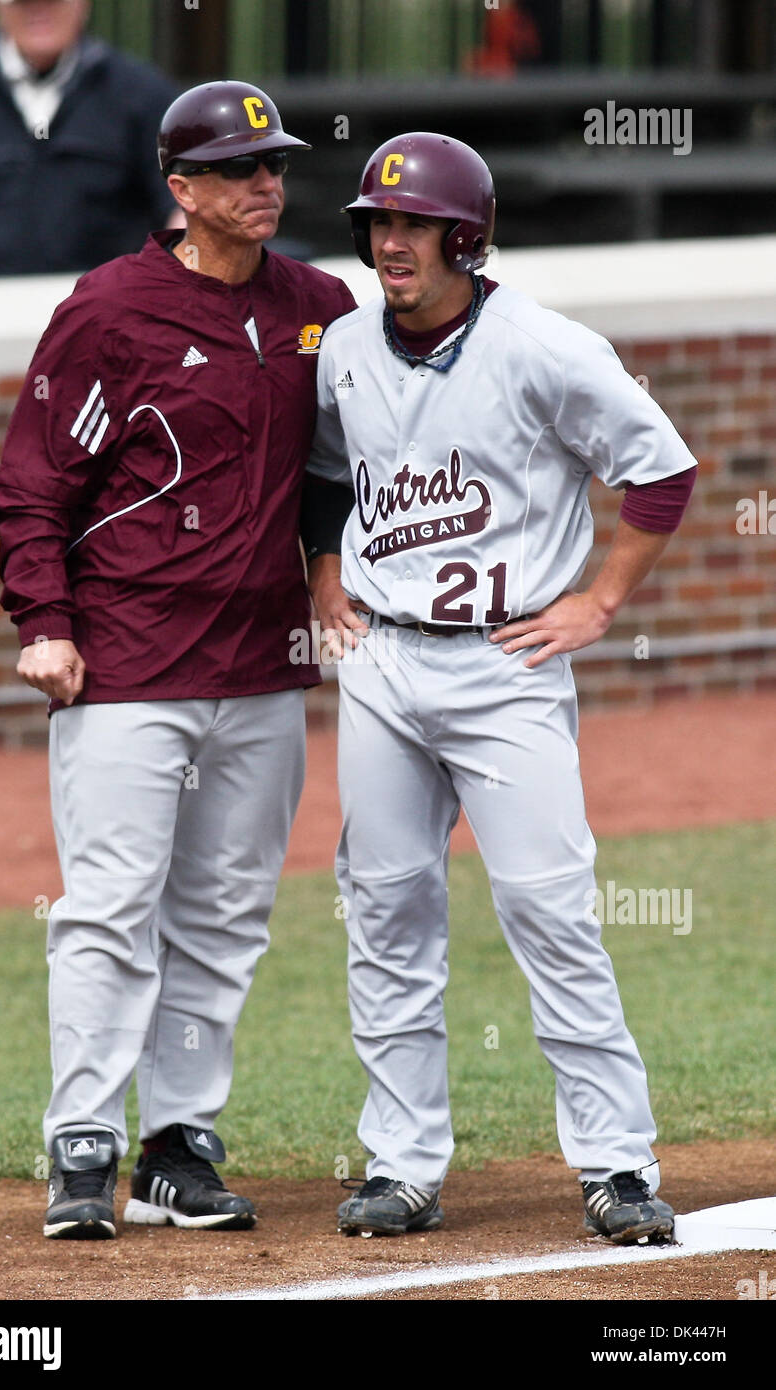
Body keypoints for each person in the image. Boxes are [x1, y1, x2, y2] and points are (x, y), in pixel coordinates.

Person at [303, 132, 697, 1242]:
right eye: (376, 224)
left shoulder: (541, 347)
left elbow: (660, 469)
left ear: (463, 237)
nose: (389, 243)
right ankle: (402, 1165)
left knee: (547, 908)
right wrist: (327, 574)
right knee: (383, 911)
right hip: (382, 658)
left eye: (411, 225)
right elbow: (326, 468)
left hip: (503, 662)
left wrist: (599, 601)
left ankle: (615, 1165)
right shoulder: (340, 345)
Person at [0, 80, 356, 1239]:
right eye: (238, 170)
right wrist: (42, 620)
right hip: (127, 662)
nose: (265, 187)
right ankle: (83, 1144)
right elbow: (32, 486)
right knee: (108, 907)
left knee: (226, 911)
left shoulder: (316, 307)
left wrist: (328, 568)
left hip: (258, 663)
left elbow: (335, 469)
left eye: (274, 166)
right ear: (179, 188)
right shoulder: (111, 310)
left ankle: (179, 1144)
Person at [0, 0, 177, 279]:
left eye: (53, 1)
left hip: (109, 314)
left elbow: (177, 210)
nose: (39, 11)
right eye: (23, 3)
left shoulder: (144, 97)